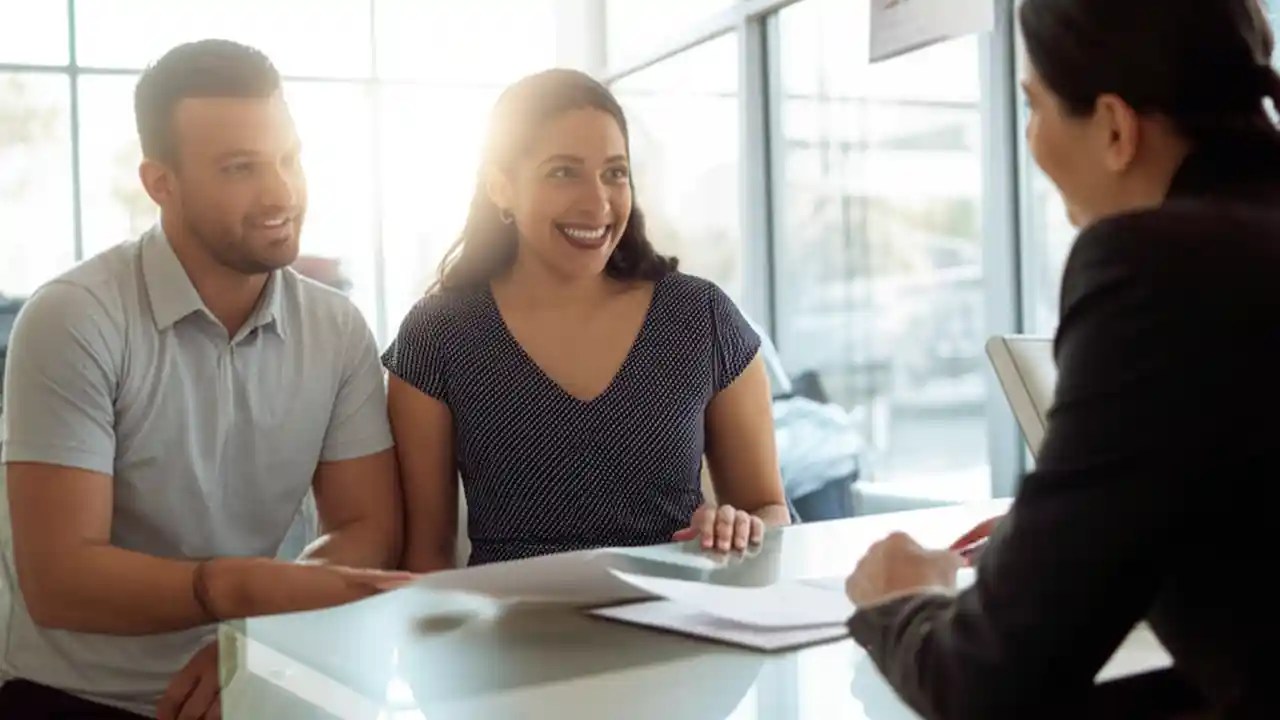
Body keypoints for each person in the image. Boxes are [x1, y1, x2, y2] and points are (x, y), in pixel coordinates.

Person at [844, 1, 1280, 718]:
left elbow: (986, 682)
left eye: (1032, 106)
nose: (1030, 138)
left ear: (1114, 127)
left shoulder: (1154, 269)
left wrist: (904, 600)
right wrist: (1063, 534)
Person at [0, 40, 410, 719]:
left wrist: (262, 631)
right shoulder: (73, 318)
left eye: (289, 157)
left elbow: (366, 524)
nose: (281, 191)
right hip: (77, 695)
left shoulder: (336, 328)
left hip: (262, 667)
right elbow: (61, 581)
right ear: (160, 183)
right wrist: (235, 595)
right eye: (240, 168)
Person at [382, 69, 790, 570]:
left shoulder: (702, 319)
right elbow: (425, 560)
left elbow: (770, 511)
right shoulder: (438, 335)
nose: (598, 203)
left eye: (614, 173)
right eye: (562, 172)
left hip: (681, 628)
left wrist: (743, 527)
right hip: (509, 638)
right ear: (501, 187)